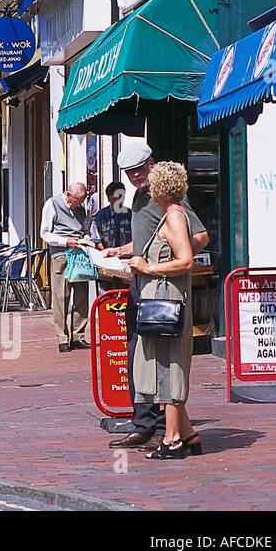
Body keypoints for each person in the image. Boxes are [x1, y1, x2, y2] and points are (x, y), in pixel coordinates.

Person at [103, 140, 209, 452]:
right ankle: (174, 430)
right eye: (129, 172)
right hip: (143, 285)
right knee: (144, 357)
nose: (135, 177)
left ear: (152, 164)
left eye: (139, 170)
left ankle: (164, 431)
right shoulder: (138, 198)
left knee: (163, 361)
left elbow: (196, 240)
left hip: (160, 290)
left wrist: (159, 269)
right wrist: (121, 253)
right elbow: (149, 243)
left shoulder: (170, 203)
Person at [128, 161, 202, 460]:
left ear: (159, 188)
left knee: (168, 367)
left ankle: (171, 441)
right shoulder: (171, 215)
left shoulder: (173, 217)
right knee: (165, 364)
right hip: (166, 296)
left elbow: (185, 261)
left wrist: (149, 267)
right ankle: (188, 435)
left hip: (166, 301)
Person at [42, 182, 91, 353]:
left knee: (81, 297)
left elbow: (85, 228)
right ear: (68, 194)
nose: (77, 205)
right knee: (61, 296)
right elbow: (45, 233)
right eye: (75, 202)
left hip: (79, 254)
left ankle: (78, 336)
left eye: (80, 202)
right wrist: (65, 242)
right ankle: (62, 338)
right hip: (61, 254)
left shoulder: (81, 208)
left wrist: (85, 238)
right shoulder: (52, 203)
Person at [90, 181, 132, 283]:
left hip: (127, 262)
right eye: (114, 199)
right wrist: (109, 256)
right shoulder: (99, 217)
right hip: (106, 262)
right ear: (109, 199)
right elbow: (96, 240)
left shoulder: (131, 215)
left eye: (120, 198)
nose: (118, 201)